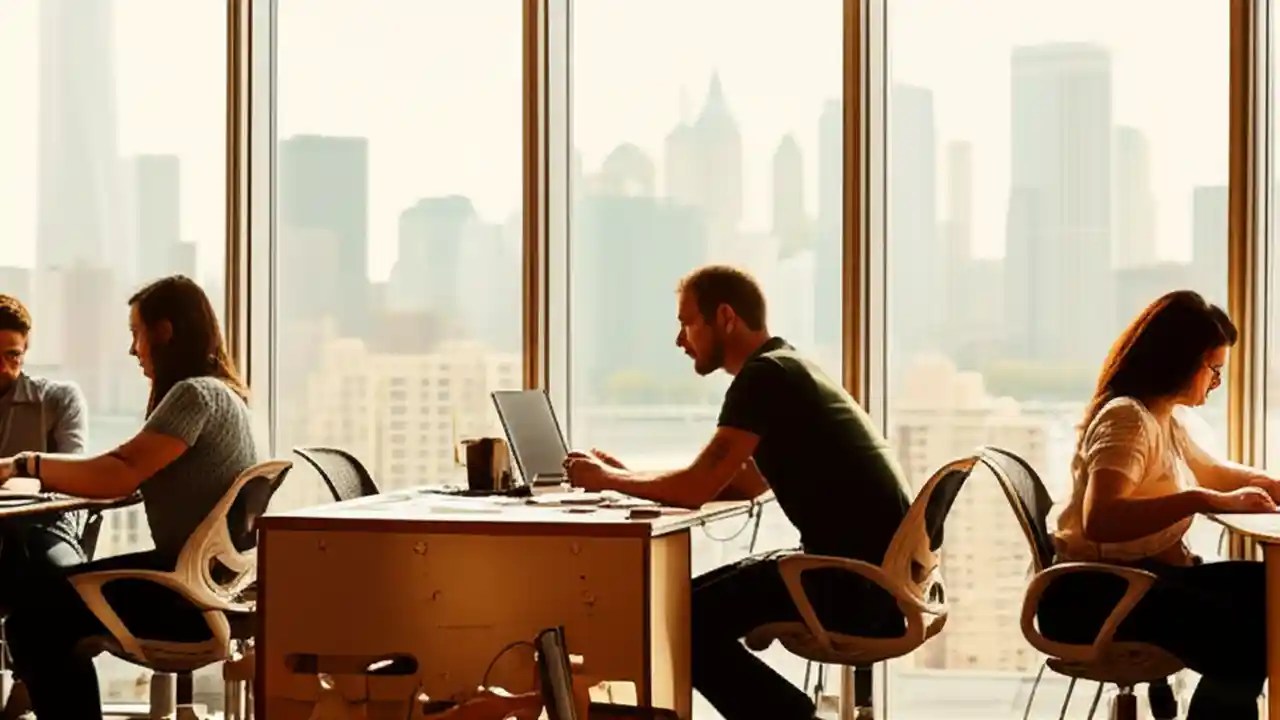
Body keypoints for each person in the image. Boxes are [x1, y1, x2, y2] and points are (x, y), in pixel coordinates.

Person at [564, 265, 911, 720]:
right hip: (876, 584)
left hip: (850, 587)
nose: (679, 339)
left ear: (724, 317)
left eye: (687, 322)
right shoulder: (788, 366)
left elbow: (695, 488)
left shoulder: (762, 378)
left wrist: (607, 481)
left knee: (679, 618)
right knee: (677, 605)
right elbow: (743, 481)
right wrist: (631, 477)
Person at [0, 275, 260, 719]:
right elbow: (126, 466)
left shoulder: (193, 394)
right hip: (212, 583)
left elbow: (120, 473)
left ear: (164, 333)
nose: (133, 349)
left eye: (135, 333)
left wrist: (24, 464)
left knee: (33, 622)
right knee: (43, 607)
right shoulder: (226, 395)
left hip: (182, 592)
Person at [1041, 290, 1276, 719]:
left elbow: (1217, 473)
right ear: (1180, 362)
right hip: (1095, 597)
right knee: (1248, 635)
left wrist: (1269, 486)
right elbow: (1102, 518)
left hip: (1133, 581)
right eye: (1213, 370)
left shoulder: (1164, 415)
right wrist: (1201, 500)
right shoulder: (1127, 420)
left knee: (1270, 593)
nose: (1216, 383)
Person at [0, 294, 89, 596]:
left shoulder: (57, 400)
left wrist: (18, 474)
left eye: (12, 356)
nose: (3, 368)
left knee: (64, 584)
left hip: (44, 528)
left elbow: (75, 478)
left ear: (25, 352)